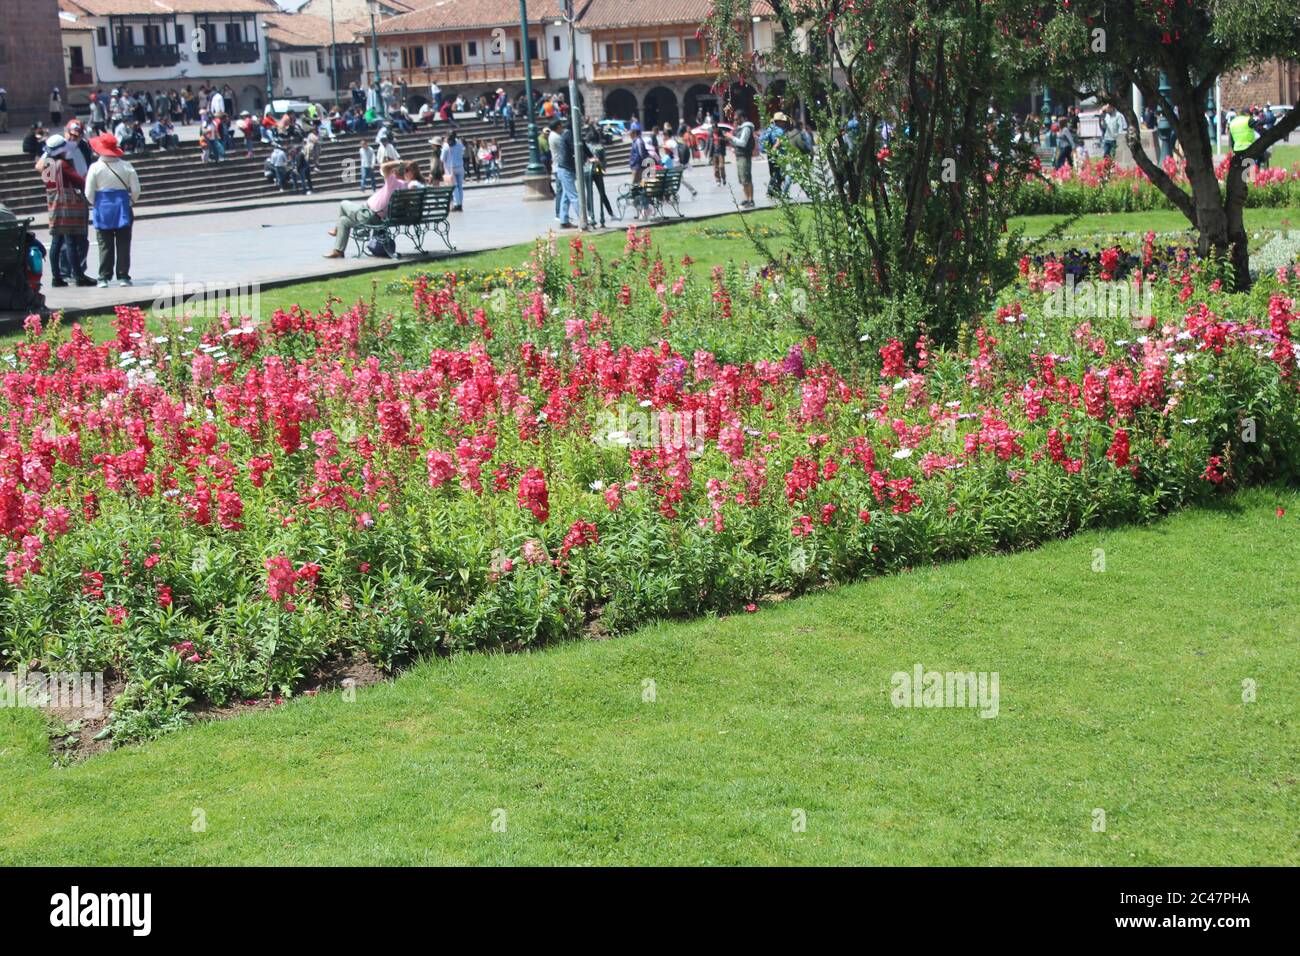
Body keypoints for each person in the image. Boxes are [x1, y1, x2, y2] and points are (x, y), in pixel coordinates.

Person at [36, 134, 94, 288]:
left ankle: (57, 277)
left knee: (57, 241)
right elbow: (80, 181)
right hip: (67, 207)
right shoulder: (62, 164)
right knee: (71, 242)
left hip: (54, 206)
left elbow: (45, 177)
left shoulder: (47, 165)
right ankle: (78, 275)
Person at [83, 132, 141, 287]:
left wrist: (97, 202)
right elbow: (136, 190)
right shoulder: (127, 166)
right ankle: (123, 276)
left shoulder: (95, 167)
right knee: (123, 243)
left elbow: (88, 192)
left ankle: (104, 276)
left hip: (103, 207)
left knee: (104, 243)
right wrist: (130, 201)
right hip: (122, 206)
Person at [324, 159, 404, 258]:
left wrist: (399, 162)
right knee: (343, 221)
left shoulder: (394, 183)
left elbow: (384, 167)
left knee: (343, 203)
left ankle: (336, 230)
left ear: (395, 172)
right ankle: (338, 251)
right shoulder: (405, 185)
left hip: (369, 215)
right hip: (376, 216)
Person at [728, 113, 757, 207]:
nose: (735, 121)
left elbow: (743, 143)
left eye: (737, 119)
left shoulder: (746, 128)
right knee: (742, 179)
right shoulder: (740, 128)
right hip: (740, 156)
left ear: (743, 118)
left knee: (746, 178)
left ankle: (750, 200)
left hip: (744, 156)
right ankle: (746, 198)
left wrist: (731, 137)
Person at [440, 131, 466, 211]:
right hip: (460, 166)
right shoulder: (459, 144)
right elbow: (462, 152)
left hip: (450, 168)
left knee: (454, 187)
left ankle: (456, 204)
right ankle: (460, 204)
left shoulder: (446, 146)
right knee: (460, 186)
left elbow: (442, 158)